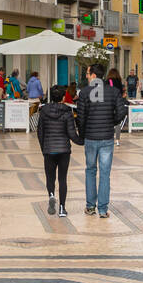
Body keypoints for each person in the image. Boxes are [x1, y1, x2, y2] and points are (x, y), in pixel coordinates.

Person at [76, 64, 128, 218]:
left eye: (87, 73)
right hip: (106, 137)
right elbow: (122, 112)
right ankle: (103, 210)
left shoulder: (84, 93)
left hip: (91, 138)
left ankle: (90, 206)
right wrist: (111, 122)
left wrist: (83, 133)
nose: (86, 76)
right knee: (105, 173)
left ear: (93, 75)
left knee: (90, 171)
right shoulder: (113, 92)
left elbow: (81, 117)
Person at [37, 84, 83, 218]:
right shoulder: (67, 111)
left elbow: (40, 132)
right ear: (63, 97)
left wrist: (44, 148)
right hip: (64, 150)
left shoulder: (44, 111)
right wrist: (82, 141)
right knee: (62, 179)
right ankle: (62, 208)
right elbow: (72, 133)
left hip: (49, 150)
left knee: (50, 177)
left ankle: (51, 194)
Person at [106, 67, 127, 146]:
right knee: (117, 123)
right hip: (118, 103)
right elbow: (122, 93)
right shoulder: (119, 82)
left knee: (109, 120)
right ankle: (117, 140)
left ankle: (110, 137)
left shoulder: (108, 81)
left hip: (110, 103)